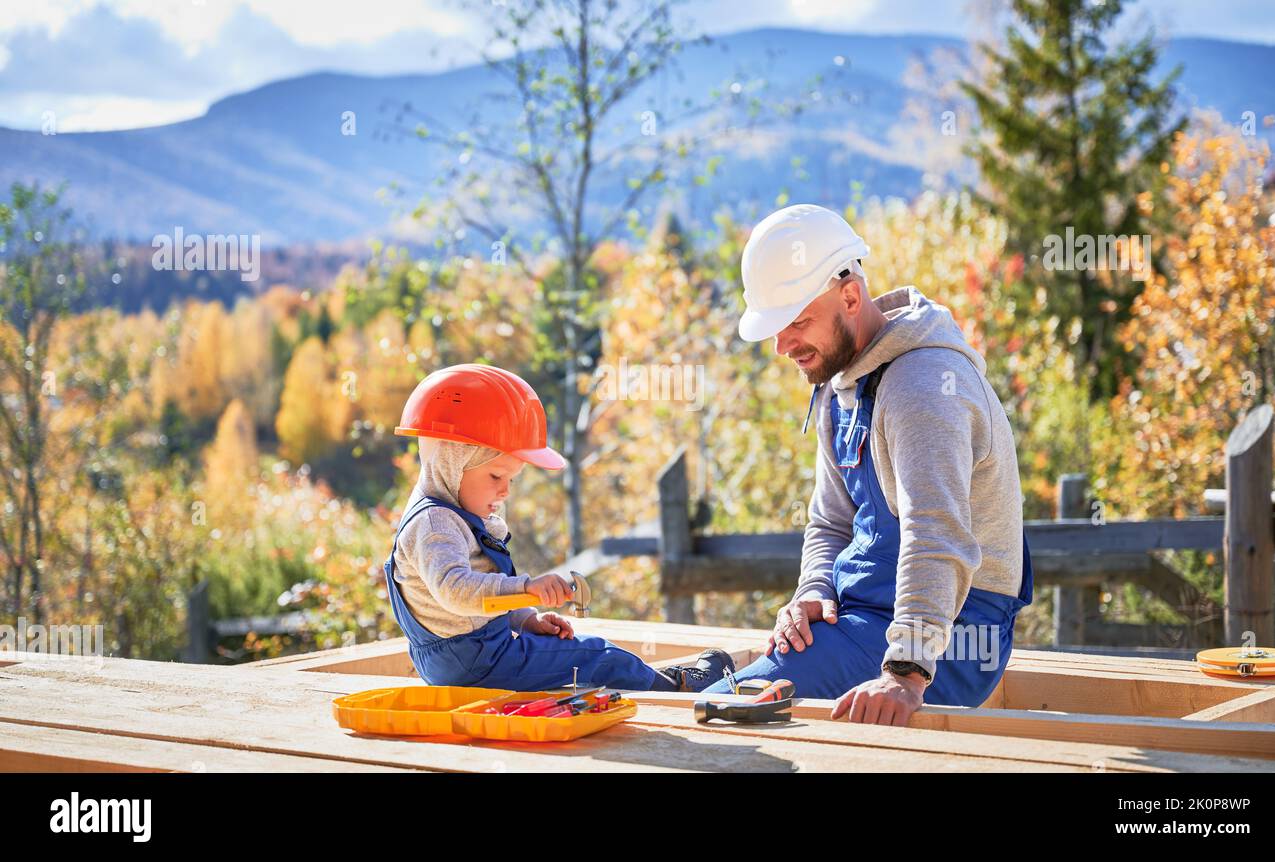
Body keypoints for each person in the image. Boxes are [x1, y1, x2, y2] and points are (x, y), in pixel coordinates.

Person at [701, 204, 1034, 726]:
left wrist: (904, 673)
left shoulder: (922, 386)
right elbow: (831, 521)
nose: (781, 346)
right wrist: (815, 589)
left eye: (796, 324)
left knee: (727, 714)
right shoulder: (842, 383)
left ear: (850, 297)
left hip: (954, 637)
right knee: (739, 696)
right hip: (870, 615)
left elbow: (937, 533)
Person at [385, 363, 735, 692]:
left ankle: (655, 680)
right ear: (451, 462)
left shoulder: (452, 515)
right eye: (496, 476)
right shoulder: (435, 525)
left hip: (471, 657)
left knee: (562, 652)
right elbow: (457, 593)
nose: (505, 491)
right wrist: (527, 587)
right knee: (597, 656)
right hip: (476, 662)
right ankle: (677, 689)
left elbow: (479, 603)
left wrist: (525, 619)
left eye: (511, 479)